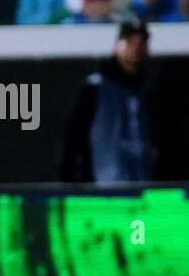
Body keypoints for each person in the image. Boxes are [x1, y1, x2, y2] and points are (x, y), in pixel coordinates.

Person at [61, 17, 185, 181]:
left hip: (144, 187)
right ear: (118, 45)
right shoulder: (95, 88)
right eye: (131, 42)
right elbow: (73, 139)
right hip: (103, 188)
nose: (136, 48)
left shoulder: (151, 92)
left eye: (141, 43)